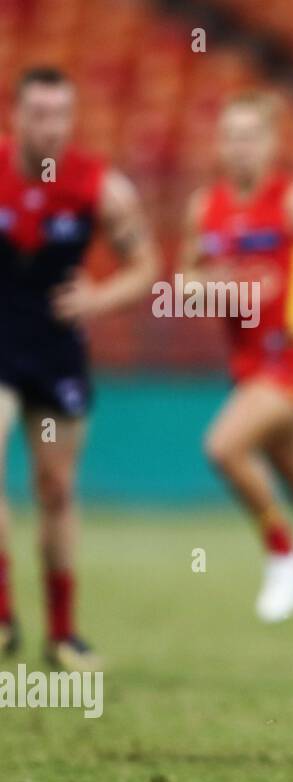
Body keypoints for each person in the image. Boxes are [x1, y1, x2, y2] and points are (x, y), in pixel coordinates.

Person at [0, 66, 160, 666]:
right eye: (37, 113)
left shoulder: (99, 186)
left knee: (56, 489)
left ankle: (61, 632)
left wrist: (98, 299)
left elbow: (144, 263)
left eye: (59, 114)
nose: (49, 127)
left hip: (57, 351)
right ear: (17, 116)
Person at [180, 92, 293, 623]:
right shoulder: (204, 208)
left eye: (250, 136)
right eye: (231, 137)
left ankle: (282, 550)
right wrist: (211, 288)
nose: (240, 148)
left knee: (224, 446)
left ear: (273, 142)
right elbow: (187, 279)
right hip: (251, 369)